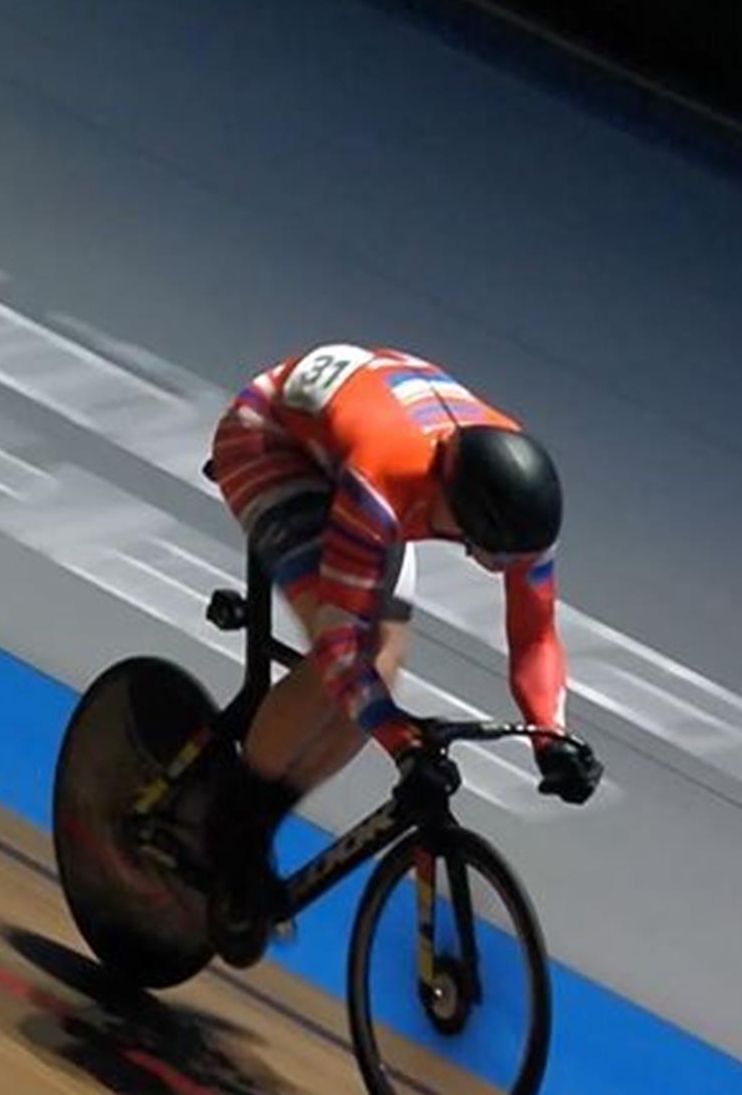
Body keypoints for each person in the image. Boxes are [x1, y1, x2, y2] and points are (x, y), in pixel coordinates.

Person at [200, 342, 602, 966]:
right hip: (273, 441)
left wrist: (551, 737)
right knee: (348, 654)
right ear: (457, 509)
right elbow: (337, 649)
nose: (477, 559)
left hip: (363, 424)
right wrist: (398, 740)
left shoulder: (519, 502)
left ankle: (264, 813)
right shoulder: (383, 484)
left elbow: (535, 636)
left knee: (383, 663)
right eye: (472, 543)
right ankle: (235, 824)